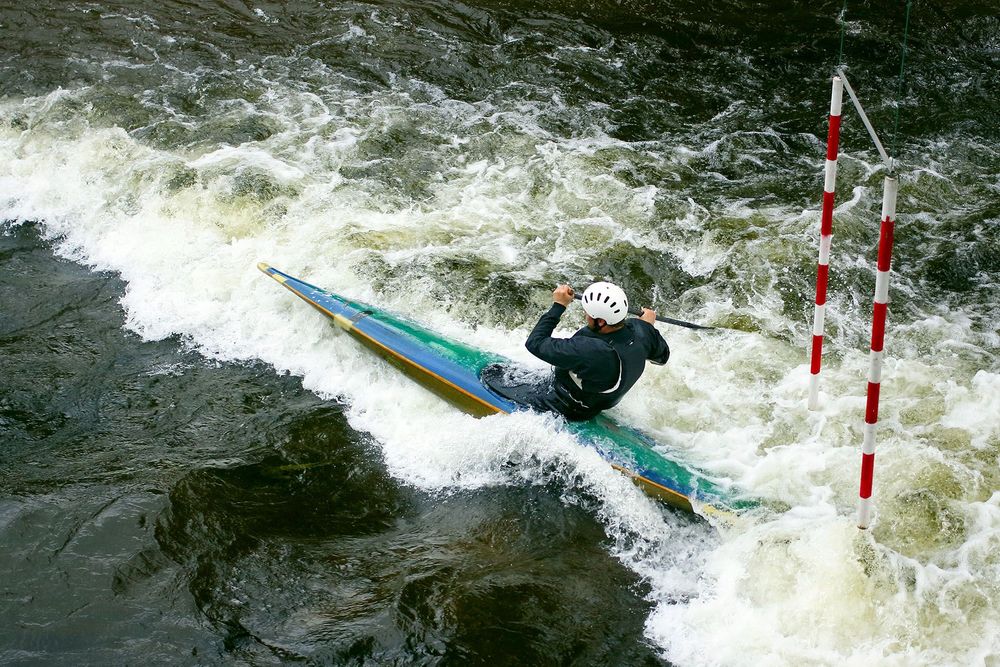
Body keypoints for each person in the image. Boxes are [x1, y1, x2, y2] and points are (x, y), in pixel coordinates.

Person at [521, 281, 670, 421]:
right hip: (601, 402)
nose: (586, 316)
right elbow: (662, 358)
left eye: (588, 314)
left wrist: (559, 305)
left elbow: (534, 342)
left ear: (601, 322)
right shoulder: (642, 330)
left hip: (567, 405)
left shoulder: (589, 350)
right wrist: (650, 328)